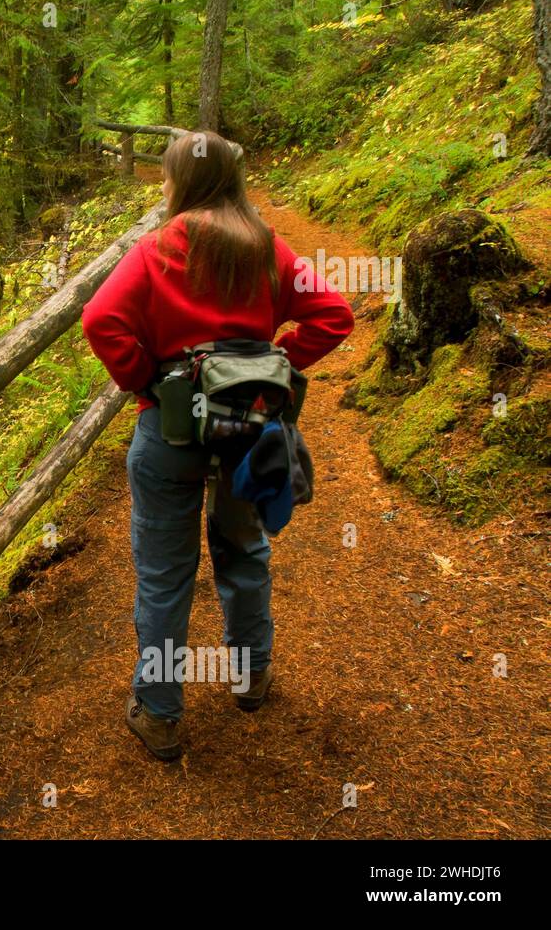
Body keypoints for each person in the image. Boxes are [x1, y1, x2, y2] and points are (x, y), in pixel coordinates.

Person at [81, 131, 354, 761]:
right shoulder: (266, 249)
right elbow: (334, 313)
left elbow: (100, 320)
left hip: (171, 432)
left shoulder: (156, 249)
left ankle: (159, 712)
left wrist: (146, 379)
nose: (164, 187)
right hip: (249, 431)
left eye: (168, 177)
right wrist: (277, 365)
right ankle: (251, 676)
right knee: (244, 551)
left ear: (184, 182)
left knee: (163, 575)